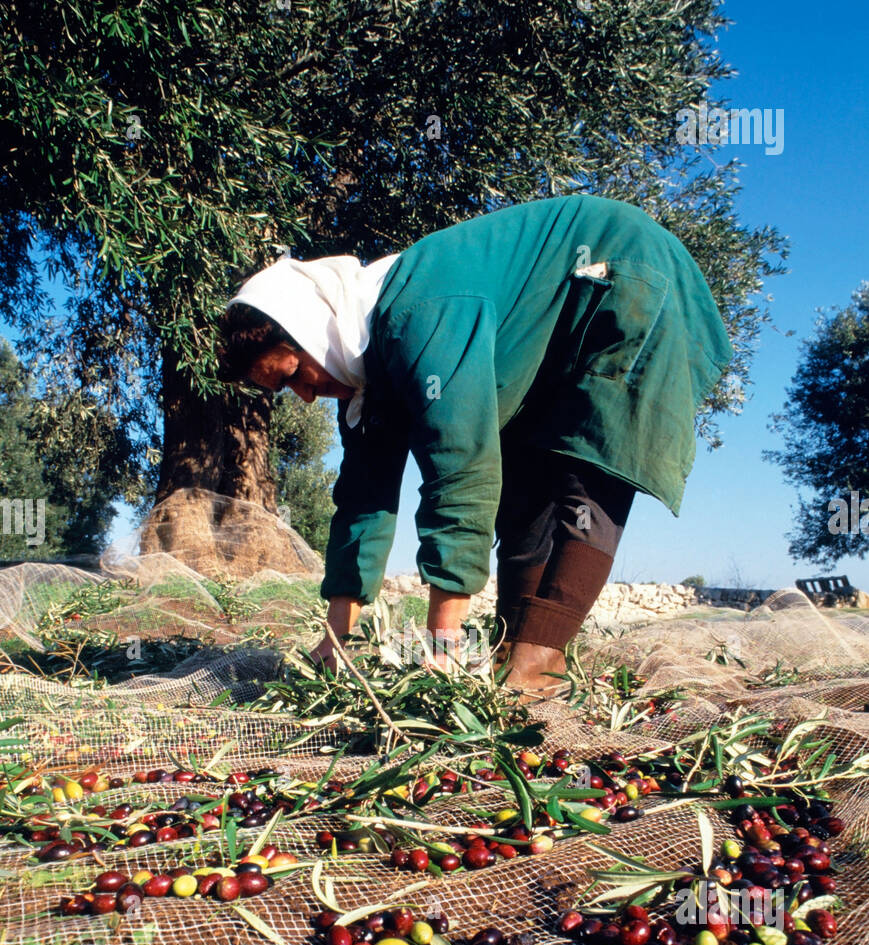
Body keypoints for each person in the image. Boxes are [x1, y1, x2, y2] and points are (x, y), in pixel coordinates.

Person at [218, 194, 733, 693]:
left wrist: (441, 647)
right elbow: (362, 503)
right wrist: (337, 639)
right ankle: (516, 653)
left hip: (621, 275)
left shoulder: (420, 314)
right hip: (551, 336)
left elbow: (459, 470)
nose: (306, 395)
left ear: (311, 330)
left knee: (586, 462)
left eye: (293, 375)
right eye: (287, 390)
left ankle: (538, 665)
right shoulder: (362, 374)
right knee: (524, 495)